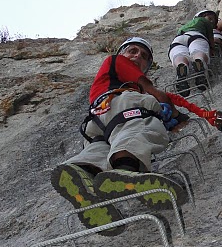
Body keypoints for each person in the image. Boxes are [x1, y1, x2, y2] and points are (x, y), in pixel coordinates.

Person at [51, 36, 189, 234]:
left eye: (143, 56)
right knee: (140, 128)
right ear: (122, 53)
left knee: (99, 149)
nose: (136, 56)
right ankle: (125, 169)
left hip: (96, 121)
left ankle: (82, 173)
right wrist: (176, 115)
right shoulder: (117, 62)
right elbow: (152, 91)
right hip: (124, 104)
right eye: (132, 51)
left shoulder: (107, 77)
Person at [168, 9, 219, 93]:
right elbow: (210, 37)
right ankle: (199, 61)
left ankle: (181, 65)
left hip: (178, 39)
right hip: (196, 36)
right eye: (210, 18)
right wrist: (212, 48)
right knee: (197, 50)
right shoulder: (204, 22)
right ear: (202, 16)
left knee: (179, 54)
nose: (211, 21)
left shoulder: (184, 26)